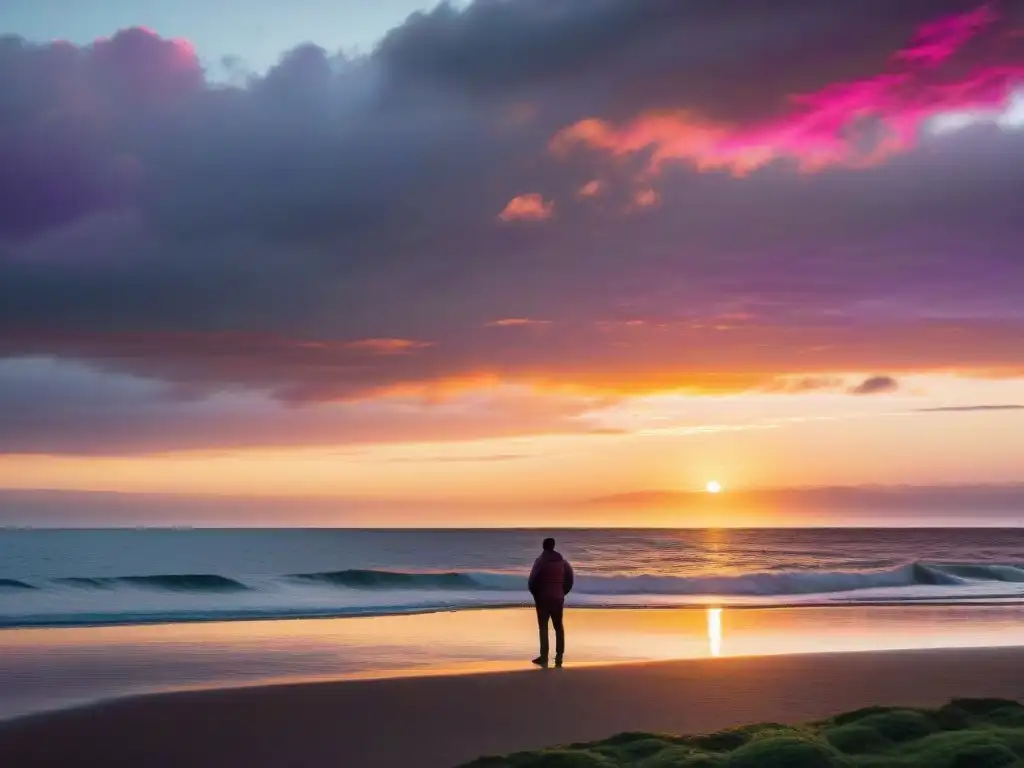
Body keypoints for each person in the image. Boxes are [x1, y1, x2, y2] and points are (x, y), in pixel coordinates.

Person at [527, 537, 574, 668]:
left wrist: (536, 595)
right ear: (553, 546)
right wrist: (562, 592)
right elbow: (570, 579)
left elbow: (532, 581)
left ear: (543, 546)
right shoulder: (563, 562)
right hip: (558, 598)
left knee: (543, 628)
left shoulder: (540, 562)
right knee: (558, 627)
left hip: (543, 599)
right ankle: (559, 655)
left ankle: (544, 656)